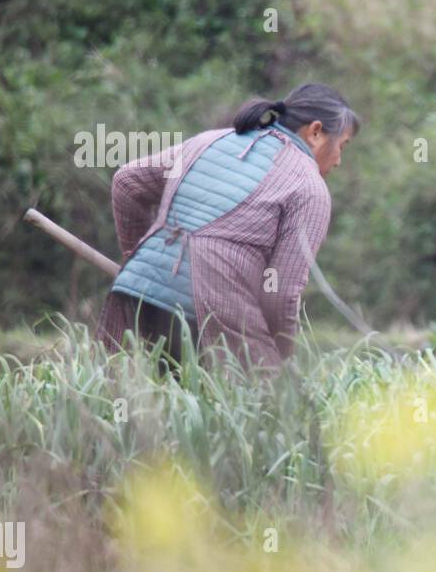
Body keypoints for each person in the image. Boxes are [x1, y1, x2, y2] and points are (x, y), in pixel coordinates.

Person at [96, 83, 358, 368]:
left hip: (137, 294)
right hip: (214, 312)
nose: (339, 161)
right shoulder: (309, 186)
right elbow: (279, 293)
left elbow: (127, 182)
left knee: (141, 405)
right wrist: (281, 356)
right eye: (342, 146)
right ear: (316, 132)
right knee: (262, 405)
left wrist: (140, 261)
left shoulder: (210, 141)